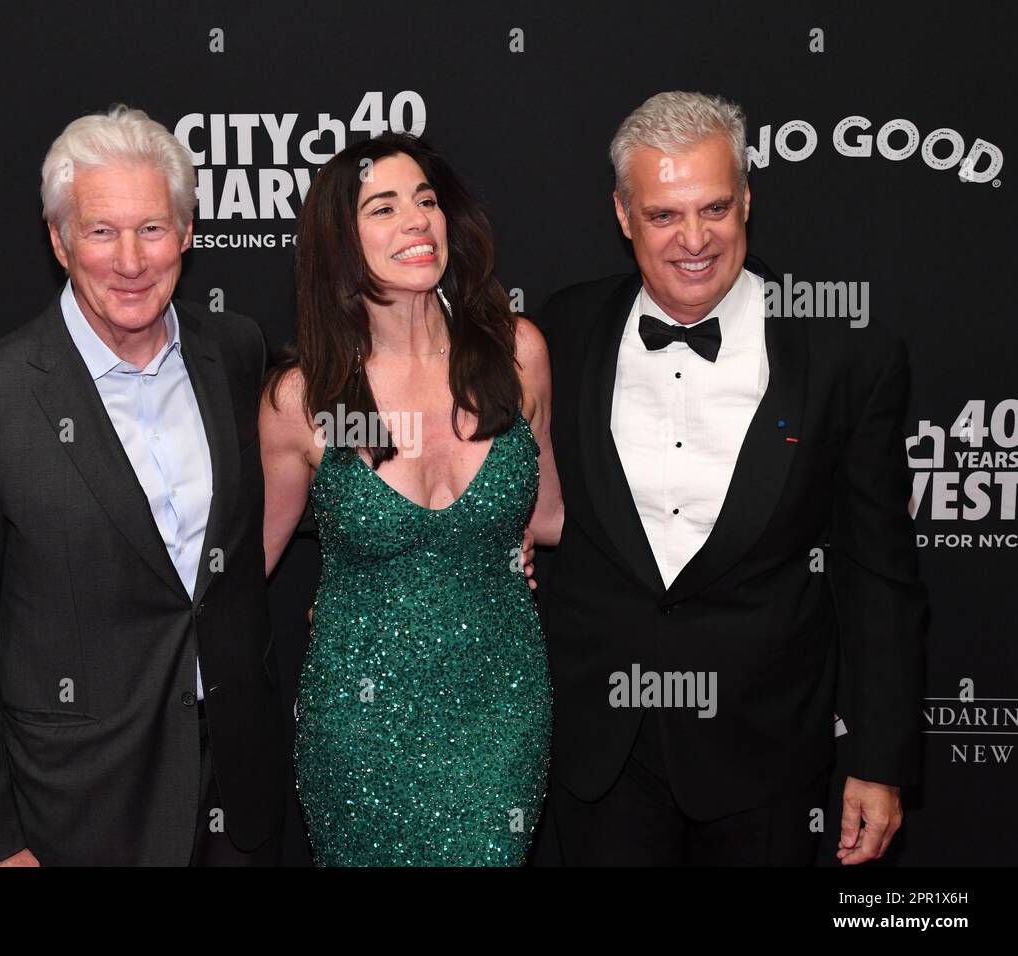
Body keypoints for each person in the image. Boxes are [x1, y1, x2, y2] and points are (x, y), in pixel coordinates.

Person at [536, 91, 928, 865]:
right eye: (662, 215)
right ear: (622, 214)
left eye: (715, 207)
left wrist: (880, 761)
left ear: (747, 197)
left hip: (765, 750)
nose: (694, 239)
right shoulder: (559, 331)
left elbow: (876, 570)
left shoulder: (845, 355)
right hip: (601, 750)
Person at [0, 104, 285, 866]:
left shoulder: (237, 351)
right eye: (101, 231)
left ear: (187, 233)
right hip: (77, 813)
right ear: (58, 240)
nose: (131, 261)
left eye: (152, 228)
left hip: (238, 798)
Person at [260, 132, 563, 865]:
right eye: (384, 207)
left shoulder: (518, 354)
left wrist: (509, 542)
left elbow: (548, 517)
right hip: (361, 725)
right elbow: (246, 564)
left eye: (426, 202)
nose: (417, 222)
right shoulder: (305, 399)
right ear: (339, 239)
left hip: (501, 707)